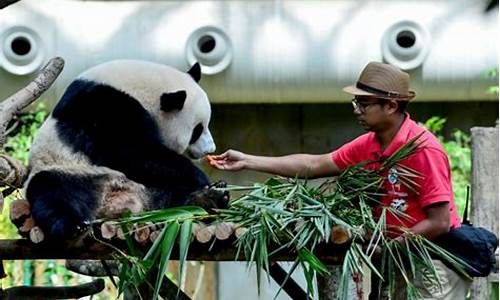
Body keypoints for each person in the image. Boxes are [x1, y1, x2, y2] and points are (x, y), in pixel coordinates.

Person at [208, 61, 471, 299]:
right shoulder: (369, 144)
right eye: (355, 103)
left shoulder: (423, 149)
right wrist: (248, 160)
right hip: (397, 261)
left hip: (432, 264)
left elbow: (440, 222)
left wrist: (390, 246)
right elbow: (314, 164)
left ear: (391, 105)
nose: (357, 111)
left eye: (364, 103)